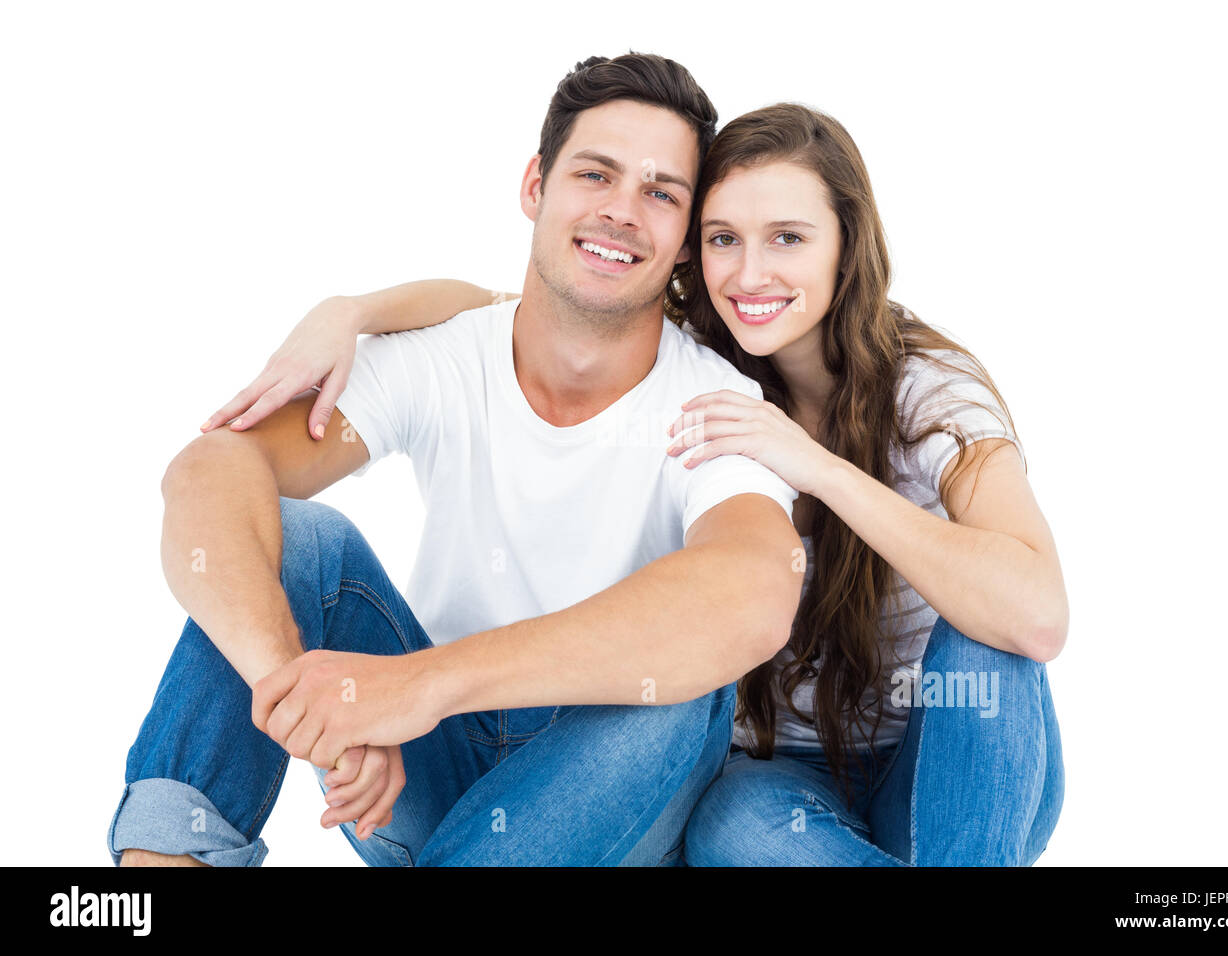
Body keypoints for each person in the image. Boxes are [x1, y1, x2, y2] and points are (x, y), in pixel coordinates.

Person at [216, 102, 1069, 866]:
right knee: (734, 828)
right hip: (779, 774)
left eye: (790, 238)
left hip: (951, 760)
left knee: (988, 641)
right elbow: (513, 303)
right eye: (724, 238)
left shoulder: (930, 390)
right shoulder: (702, 358)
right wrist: (352, 311)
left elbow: (1036, 613)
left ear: (849, 244)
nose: (751, 274)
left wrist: (821, 470)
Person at [109, 52, 808, 868]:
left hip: (602, 793)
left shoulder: (714, 403)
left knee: (685, 689)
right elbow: (211, 473)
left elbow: (753, 593)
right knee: (300, 542)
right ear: (534, 187)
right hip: (426, 769)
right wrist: (301, 693)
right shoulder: (446, 357)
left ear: (686, 242)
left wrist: (421, 686)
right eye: (595, 175)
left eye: (660, 194)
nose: (623, 212)